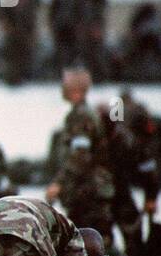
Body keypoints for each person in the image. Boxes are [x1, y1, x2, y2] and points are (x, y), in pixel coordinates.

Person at [45, 68, 114, 243]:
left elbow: (80, 155)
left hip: (88, 192)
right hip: (89, 191)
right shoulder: (82, 113)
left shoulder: (80, 116)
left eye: (65, 84)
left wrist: (58, 183)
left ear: (75, 90)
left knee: (89, 243)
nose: (61, 88)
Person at [103, 90, 159, 253]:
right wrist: (151, 197)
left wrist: (151, 197)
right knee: (130, 229)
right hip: (114, 185)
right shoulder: (133, 139)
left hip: (112, 185)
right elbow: (148, 170)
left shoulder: (121, 122)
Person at [0, 0, 41, 86]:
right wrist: (5, 24)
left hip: (26, 33)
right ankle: (12, 80)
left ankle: (23, 80)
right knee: (13, 59)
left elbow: (37, 9)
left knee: (25, 59)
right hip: (14, 33)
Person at [49, 0, 83, 71]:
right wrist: (52, 23)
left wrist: (80, 24)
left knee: (74, 52)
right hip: (60, 26)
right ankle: (61, 72)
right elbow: (53, 8)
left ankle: (72, 72)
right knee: (60, 52)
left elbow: (81, 8)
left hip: (73, 26)